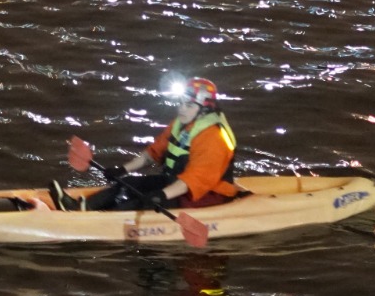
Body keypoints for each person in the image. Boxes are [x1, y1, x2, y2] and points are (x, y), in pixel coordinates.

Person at [50, 77, 242, 212]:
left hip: (206, 194)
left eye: (188, 105)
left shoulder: (214, 138)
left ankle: (95, 219)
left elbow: (195, 180)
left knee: (141, 204)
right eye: (181, 103)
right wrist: (122, 170)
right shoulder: (182, 123)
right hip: (176, 184)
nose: (181, 109)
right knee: (127, 185)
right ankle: (81, 207)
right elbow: (153, 153)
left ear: (204, 111)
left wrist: (161, 195)